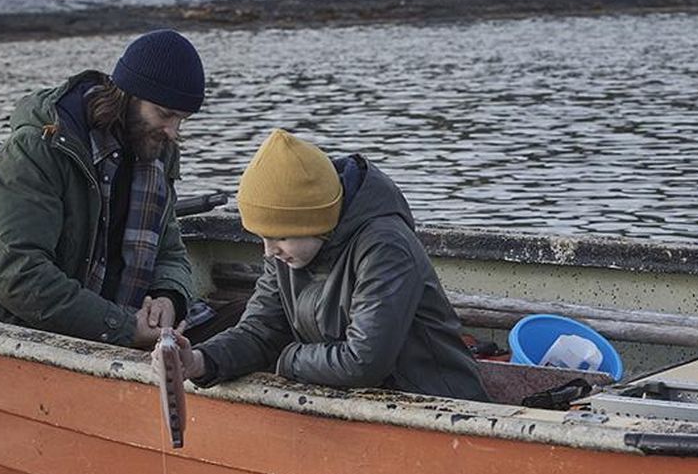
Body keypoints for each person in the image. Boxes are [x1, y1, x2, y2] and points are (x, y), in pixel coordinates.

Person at [161, 128, 489, 401]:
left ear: (314, 222)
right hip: (362, 407)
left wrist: (287, 358)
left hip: (433, 402)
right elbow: (259, 331)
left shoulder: (384, 247)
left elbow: (363, 362)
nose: (269, 251)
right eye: (262, 237)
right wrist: (200, 361)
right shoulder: (288, 253)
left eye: (279, 237)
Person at [0, 29, 204, 347]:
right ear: (126, 96)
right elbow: (20, 277)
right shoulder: (35, 152)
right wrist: (123, 328)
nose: (173, 132)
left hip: (109, 328)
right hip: (3, 331)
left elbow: (170, 251)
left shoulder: (156, 152)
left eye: (182, 119)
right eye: (165, 115)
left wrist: (167, 297)